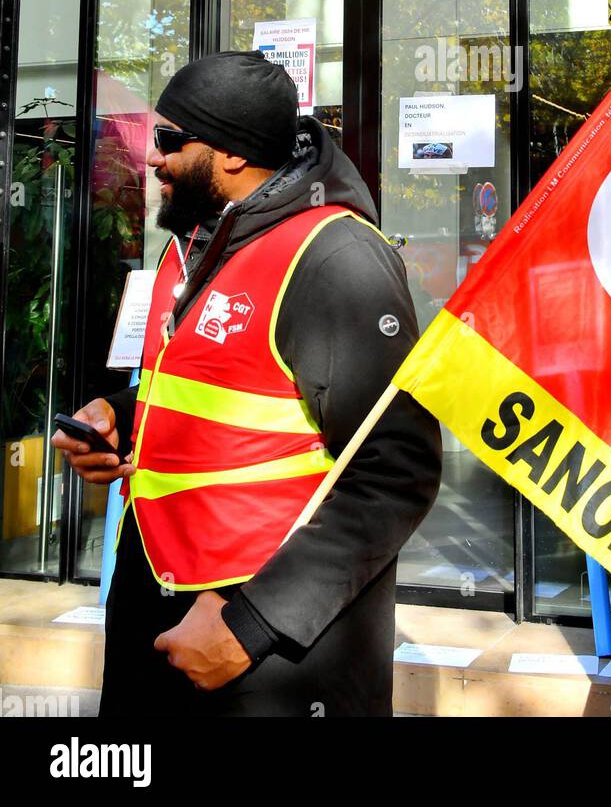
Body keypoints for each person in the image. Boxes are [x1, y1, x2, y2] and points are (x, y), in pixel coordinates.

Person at [54, 50, 442, 718]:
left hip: (262, 653)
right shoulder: (207, 240)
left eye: (169, 140)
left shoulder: (336, 259)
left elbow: (395, 469)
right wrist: (121, 418)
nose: (150, 157)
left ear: (232, 155)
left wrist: (251, 626)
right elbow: (226, 386)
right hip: (160, 611)